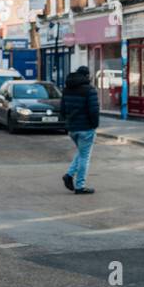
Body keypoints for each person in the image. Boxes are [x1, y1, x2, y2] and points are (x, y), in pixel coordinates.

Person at [61, 65, 99, 194]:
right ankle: (79, 186)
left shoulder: (66, 89)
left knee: (81, 153)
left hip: (72, 128)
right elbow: (93, 110)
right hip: (86, 128)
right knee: (84, 157)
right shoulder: (89, 90)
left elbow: (62, 109)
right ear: (87, 76)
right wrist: (94, 125)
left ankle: (69, 175)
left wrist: (67, 122)